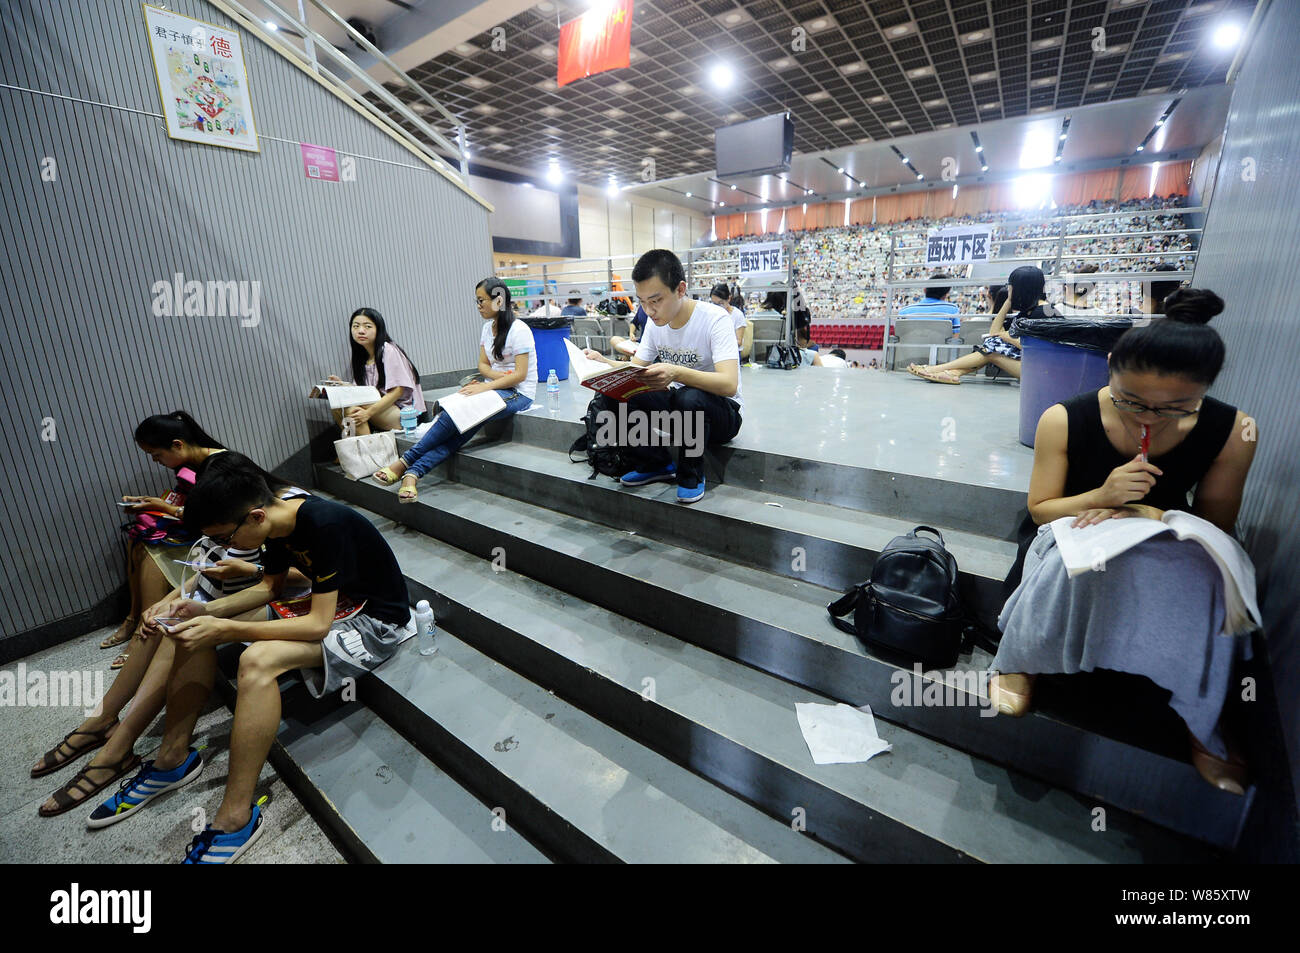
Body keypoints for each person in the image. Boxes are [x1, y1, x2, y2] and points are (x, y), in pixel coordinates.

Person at [990, 290, 1258, 795]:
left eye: (1177, 408)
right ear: (1111, 366)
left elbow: (1214, 526)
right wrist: (1104, 494)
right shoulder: (1063, 417)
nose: (1149, 420)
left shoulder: (1234, 431)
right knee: (1071, 559)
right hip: (1073, 520)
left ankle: (1203, 717)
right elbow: (1041, 508)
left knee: (1206, 576)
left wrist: (1152, 513)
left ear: (1205, 390)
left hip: (1159, 524)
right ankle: (1021, 659)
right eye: (1131, 401)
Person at [111, 456, 415, 862]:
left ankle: (235, 817)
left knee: (256, 661)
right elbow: (270, 588)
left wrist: (229, 629)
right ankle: (172, 759)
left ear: (254, 516)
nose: (226, 548)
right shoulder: (275, 524)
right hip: (332, 605)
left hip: (374, 621)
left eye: (226, 536)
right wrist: (204, 611)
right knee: (190, 632)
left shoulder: (325, 524)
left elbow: (316, 626)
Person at [33, 454, 309, 817]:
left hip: (287, 600)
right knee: (162, 621)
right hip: (237, 592)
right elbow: (204, 568)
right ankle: (105, 723)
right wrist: (166, 600)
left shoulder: (286, 514)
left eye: (157, 453)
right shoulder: (237, 515)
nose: (156, 460)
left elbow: (304, 578)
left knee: (183, 628)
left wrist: (251, 570)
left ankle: (123, 747)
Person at [580, 249, 741, 504]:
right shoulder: (655, 325)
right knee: (619, 390)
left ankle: (691, 475)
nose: (649, 310)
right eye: (642, 301)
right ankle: (654, 463)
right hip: (680, 407)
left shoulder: (714, 319)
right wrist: (604, 362)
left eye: (655, 300)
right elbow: (633, 370)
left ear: (680, 289)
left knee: (689, 397)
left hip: (721, 414)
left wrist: (676, 372)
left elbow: (729, 384)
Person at [372, 277, 535, 503]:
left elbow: (520, 375)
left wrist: (487, 386)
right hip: (496, 388)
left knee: (465, 412)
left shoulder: (520, 329)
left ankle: (405, 462)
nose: (478, 306)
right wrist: (493, 381)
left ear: (498, 301)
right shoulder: (488, 328)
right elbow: (483, 366)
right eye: (476, 301)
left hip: (519, 393)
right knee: (461, 422)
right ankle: (412, 474)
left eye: (481, 301)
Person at [104, 413, 227, 664]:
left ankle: (145, 628)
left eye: (157, 455)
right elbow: (186, 504)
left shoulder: (217, 466)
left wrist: (165, 508)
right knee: (139, 534)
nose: (156, 461)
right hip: (202, 530)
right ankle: (136, 617)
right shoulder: (191, 465)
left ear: (177, 445)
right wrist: (153, 505)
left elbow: (215, 517)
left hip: (219, 540)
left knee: (152, 545)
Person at [907, 266, 1051, 383]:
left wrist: (1006, 337)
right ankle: (953, 373)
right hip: (1034, 366)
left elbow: (1036, 349)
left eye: (1010, 287)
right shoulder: (1030, 310)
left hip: (1041, 372)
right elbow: (994, 331)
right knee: (990, 347)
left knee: (991, 352)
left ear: (1020, 289)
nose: (1008, 290)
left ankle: (936, 369)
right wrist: (1008, 302)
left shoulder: (1042, 313)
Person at [327, 308, 426, 436]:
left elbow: (398, 391)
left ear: (378, 329)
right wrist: (342, 385)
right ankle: (356, 447)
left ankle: (364, 451)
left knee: (352, 410)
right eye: (355, 326)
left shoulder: (388, 350)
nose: (361, 331)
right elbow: (363, 391)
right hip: (380, 408)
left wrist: (367, 413)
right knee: (339, 405)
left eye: (367, 326)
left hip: (403, 413)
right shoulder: (361, 357)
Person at [710, 282, 748, 352]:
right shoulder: (712, 314)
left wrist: (719, 343)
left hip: (732, 353)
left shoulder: (737, 315)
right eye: (714, 304)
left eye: (721, 303)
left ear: (729, 299)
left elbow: (739, 342)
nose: (717, 307)